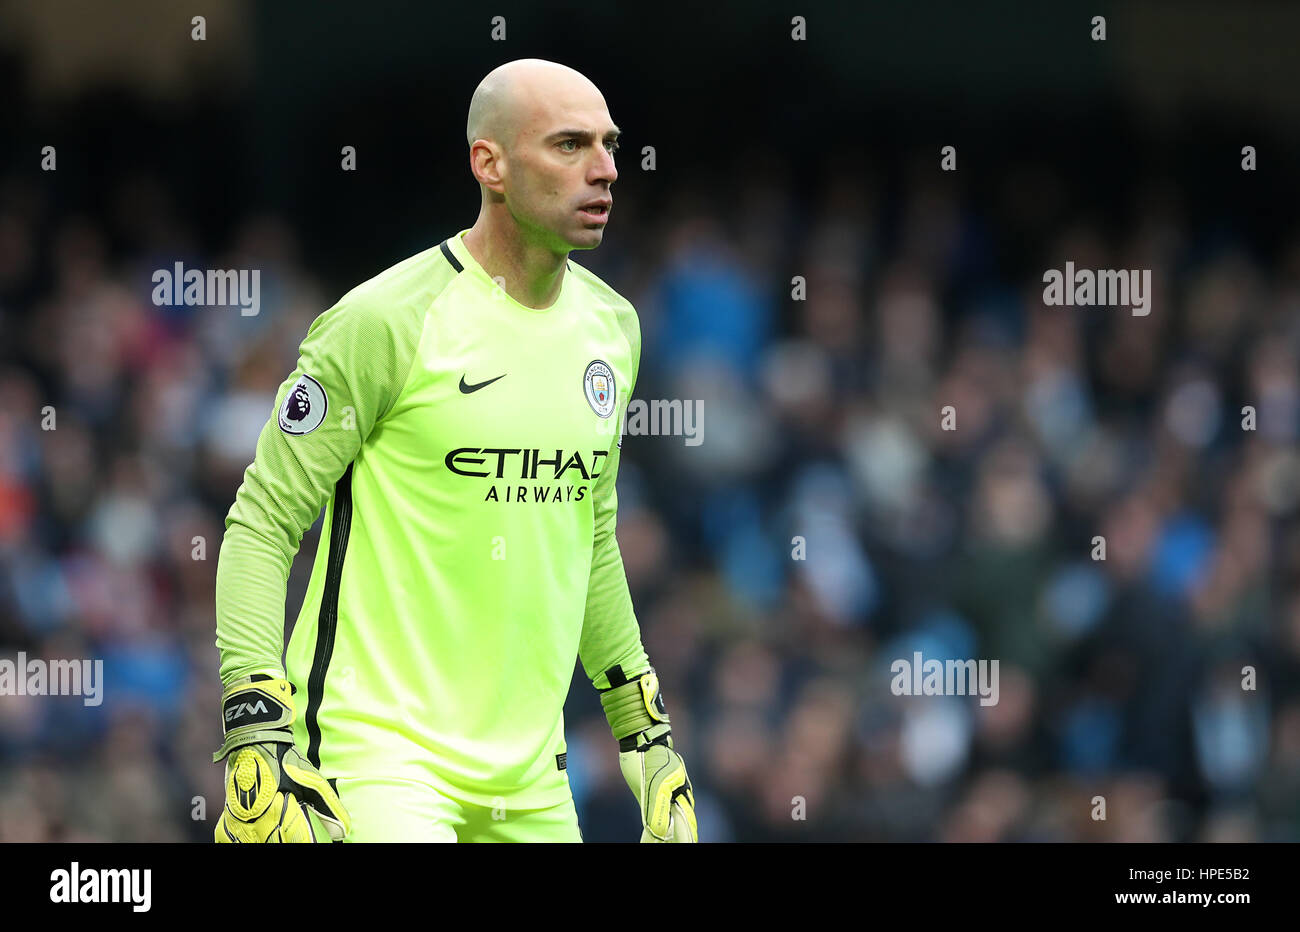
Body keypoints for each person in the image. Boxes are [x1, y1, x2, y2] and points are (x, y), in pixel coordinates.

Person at [211, 58, 697, 843]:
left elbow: (593, 538)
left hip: (531, 776)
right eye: (570, 145)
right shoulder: (382, 320)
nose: (606, 170)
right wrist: (254, 723)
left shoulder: (614, 329)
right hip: (378, 756)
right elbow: (262, 524)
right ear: (490, 164)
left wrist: (644, 731)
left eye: (609, 146)